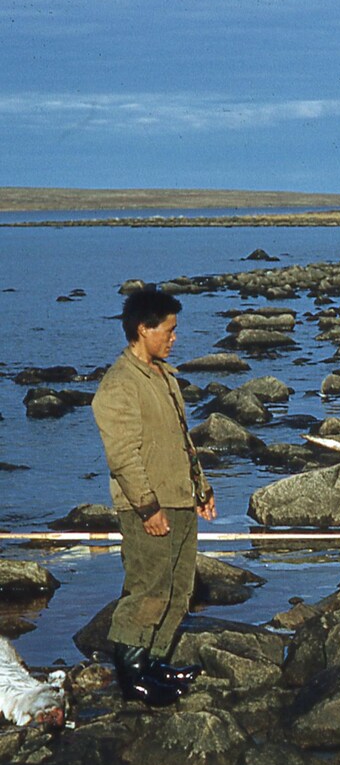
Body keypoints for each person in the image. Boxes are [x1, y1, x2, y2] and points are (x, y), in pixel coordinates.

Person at [92, 287, 217, 705]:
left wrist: (201, 489)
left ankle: (155, 664)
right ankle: (133, 678)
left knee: (179, 590)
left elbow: (182, 439)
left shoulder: (165, 376)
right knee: (148, 591)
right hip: (148, 507)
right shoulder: (119, 385)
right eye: (168, 330)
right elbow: (123, 456)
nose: (174, 337)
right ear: (143, 330)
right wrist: (148, 508)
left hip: (179, 500)